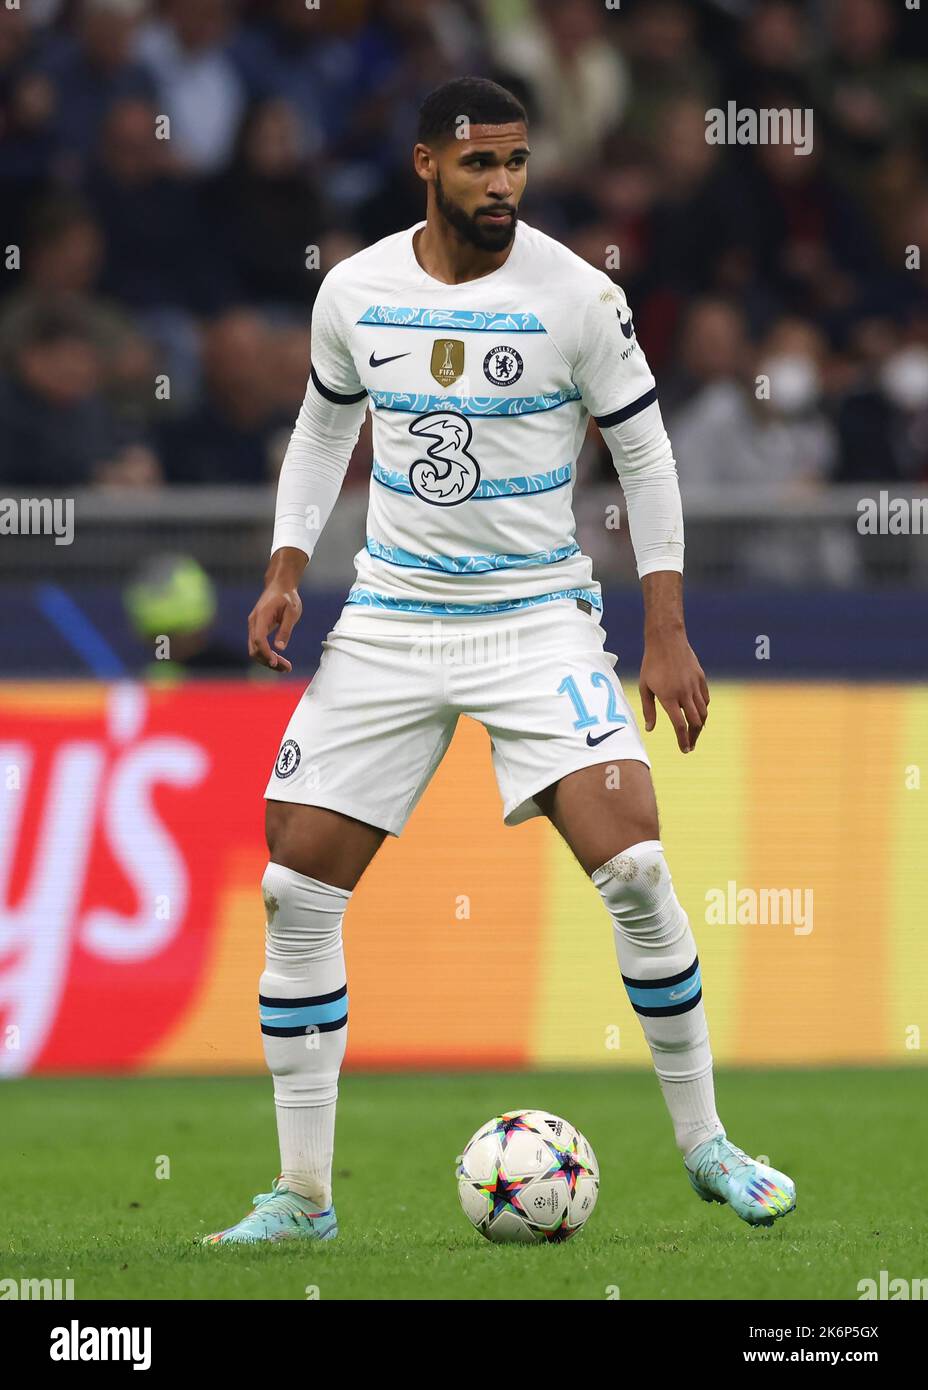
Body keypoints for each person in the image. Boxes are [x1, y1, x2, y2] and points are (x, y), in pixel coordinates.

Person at [204, 77, 796, 1245]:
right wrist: (285, 566)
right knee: (293, 890)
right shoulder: (357, 291)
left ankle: (707, 1144)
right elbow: (325, 426)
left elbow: (648, 457)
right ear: (428, 163)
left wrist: (664, 627)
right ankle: (304, 1197)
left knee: (633, 864)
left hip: (537, 622)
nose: (504, 186)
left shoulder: (576, 296)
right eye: (481, 165)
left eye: (518, 164)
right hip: (389, 620)